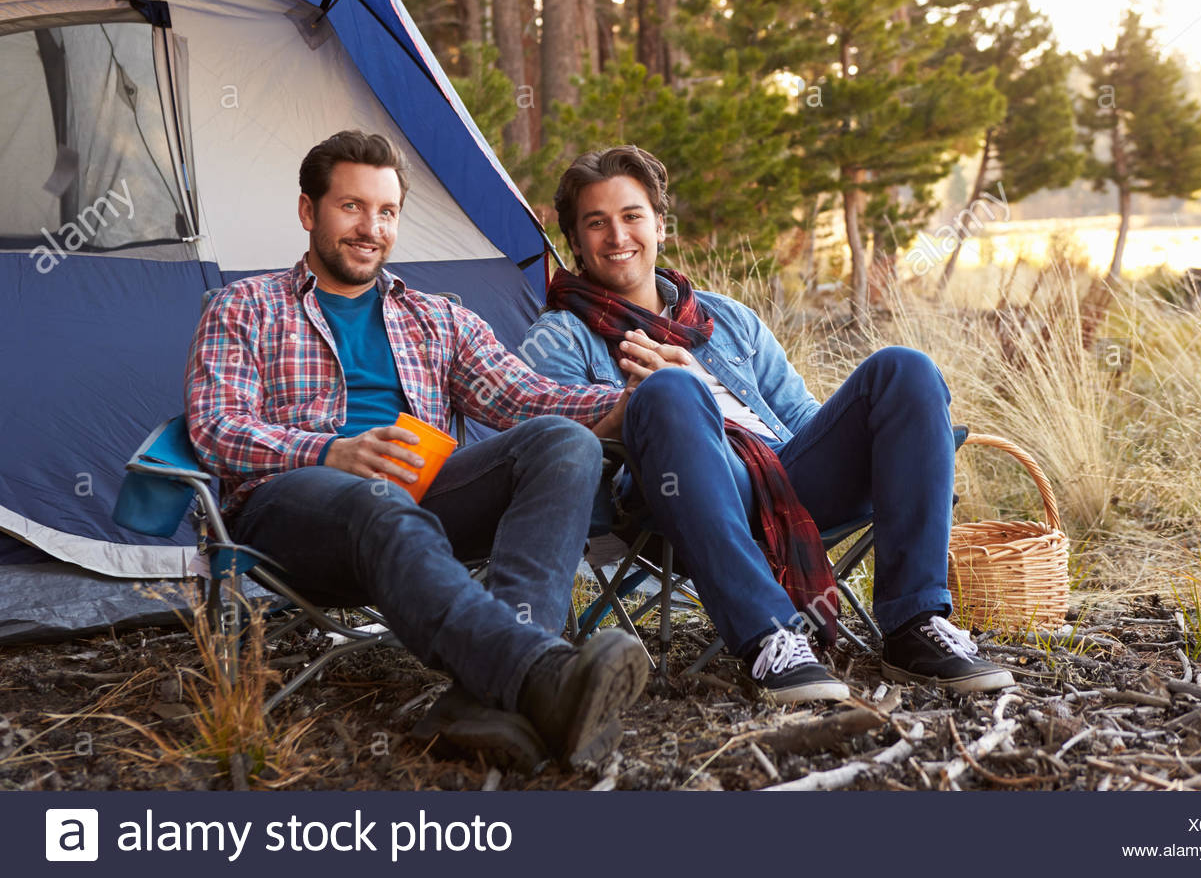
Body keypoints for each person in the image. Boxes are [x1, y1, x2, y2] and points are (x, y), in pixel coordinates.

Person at [185, 130, 647, 773]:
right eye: (351, 207)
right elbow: (216, 428)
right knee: (373, 498)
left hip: (424, 499)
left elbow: (522, 397)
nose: (370, 228)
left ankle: (496, 695)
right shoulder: (245, 307)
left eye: (387, 211)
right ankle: (536, 674)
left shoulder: (438, 317)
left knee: (565, 443)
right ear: (307, 211)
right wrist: (330, 452)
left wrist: (615, 407)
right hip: (292, 511)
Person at [520, 146, 1013, 701]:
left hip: (786, 476)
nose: (618, 236)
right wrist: (654, 400)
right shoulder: (559, 337)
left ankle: (915, 626)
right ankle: (770, 638)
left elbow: (802, 420)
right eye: (597, 223)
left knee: (905, 369)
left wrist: (892, 441)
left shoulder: (727, 318)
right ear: (577, 243)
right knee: (670, 389)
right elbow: (557, 452)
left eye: (632, 215)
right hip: (681, 496)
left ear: (660, 224)